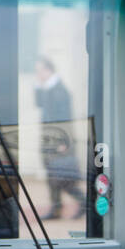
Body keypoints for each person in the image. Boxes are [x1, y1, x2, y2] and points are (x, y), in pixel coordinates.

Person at [33, 56, 81, 220]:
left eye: (39, 70)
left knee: (62, 178)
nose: (37, 74)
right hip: (49, 140)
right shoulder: (48, 88)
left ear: (48, 70)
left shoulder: (59, 91)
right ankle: (56, 209)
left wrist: (63, 141)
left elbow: (64, 118)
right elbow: (38, 104)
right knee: (52, 176)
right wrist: (38, 86)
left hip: (58, 141)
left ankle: (84, 202)